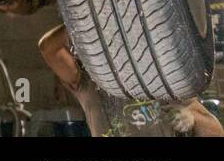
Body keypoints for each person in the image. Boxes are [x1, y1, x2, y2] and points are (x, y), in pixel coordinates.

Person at [38, 23, 222, 136]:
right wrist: (88, 21)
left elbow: (214, 131)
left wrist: (191, 117)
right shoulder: (89, 83)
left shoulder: (161, 80)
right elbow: (49, 48)